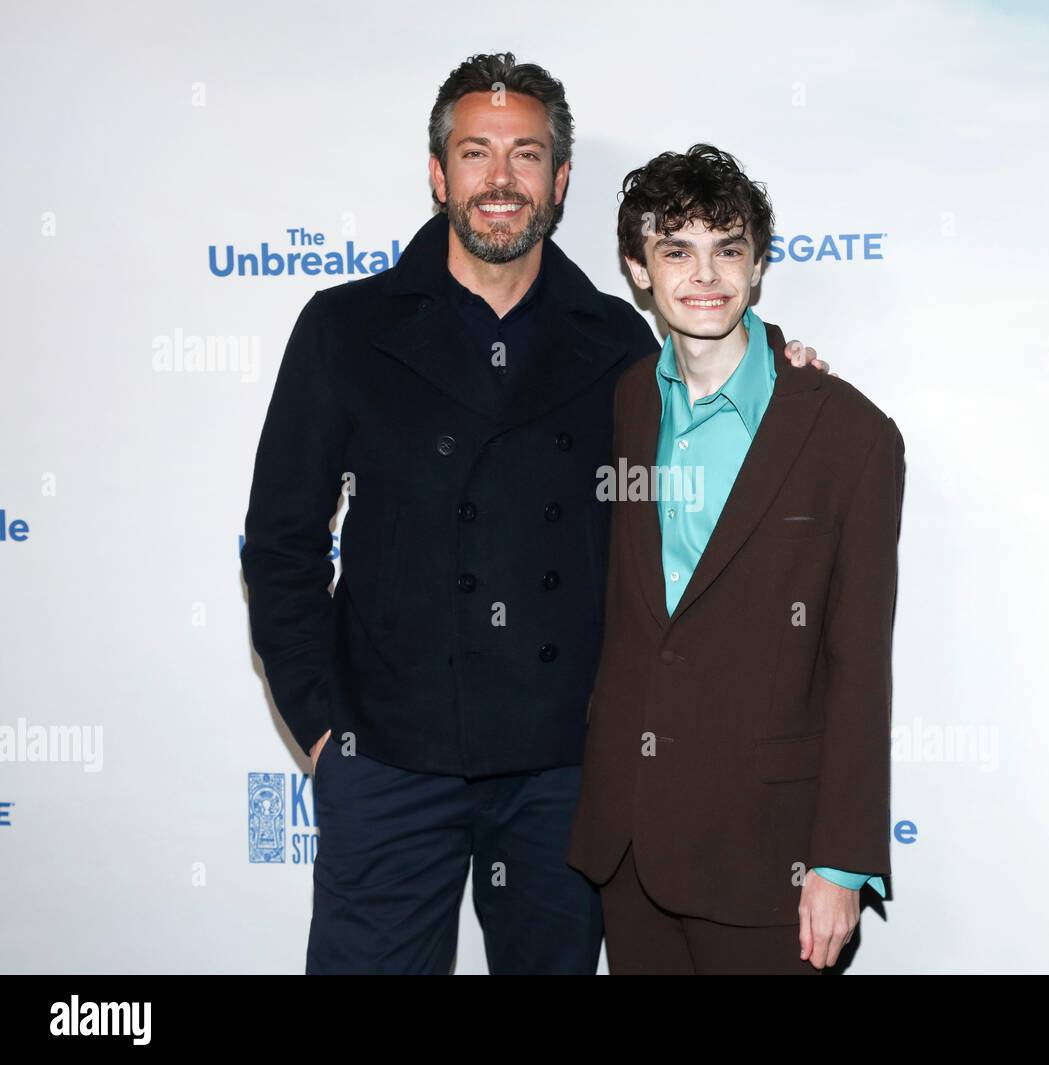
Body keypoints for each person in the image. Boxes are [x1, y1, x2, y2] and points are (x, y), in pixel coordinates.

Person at [239, 55, 826, 975]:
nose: (500, 179)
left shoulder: (612, 339)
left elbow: (686, 491)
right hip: (391, 753)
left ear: (559, 182)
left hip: (562, 765)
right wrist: (323, 726)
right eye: (476, 153)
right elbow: (280, 542)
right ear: (440, 175)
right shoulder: (345, 328)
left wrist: (783, 380)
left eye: (526, 155)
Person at [566, 144, 905, 974]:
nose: (704, 274)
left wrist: (840, 861)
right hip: (630, 845)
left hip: (769, 857)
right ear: (638, 270)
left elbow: (860, 661)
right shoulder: (626, 400)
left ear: (757, 267)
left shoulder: (850, 435)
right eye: (676, 249)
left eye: (728, 248)